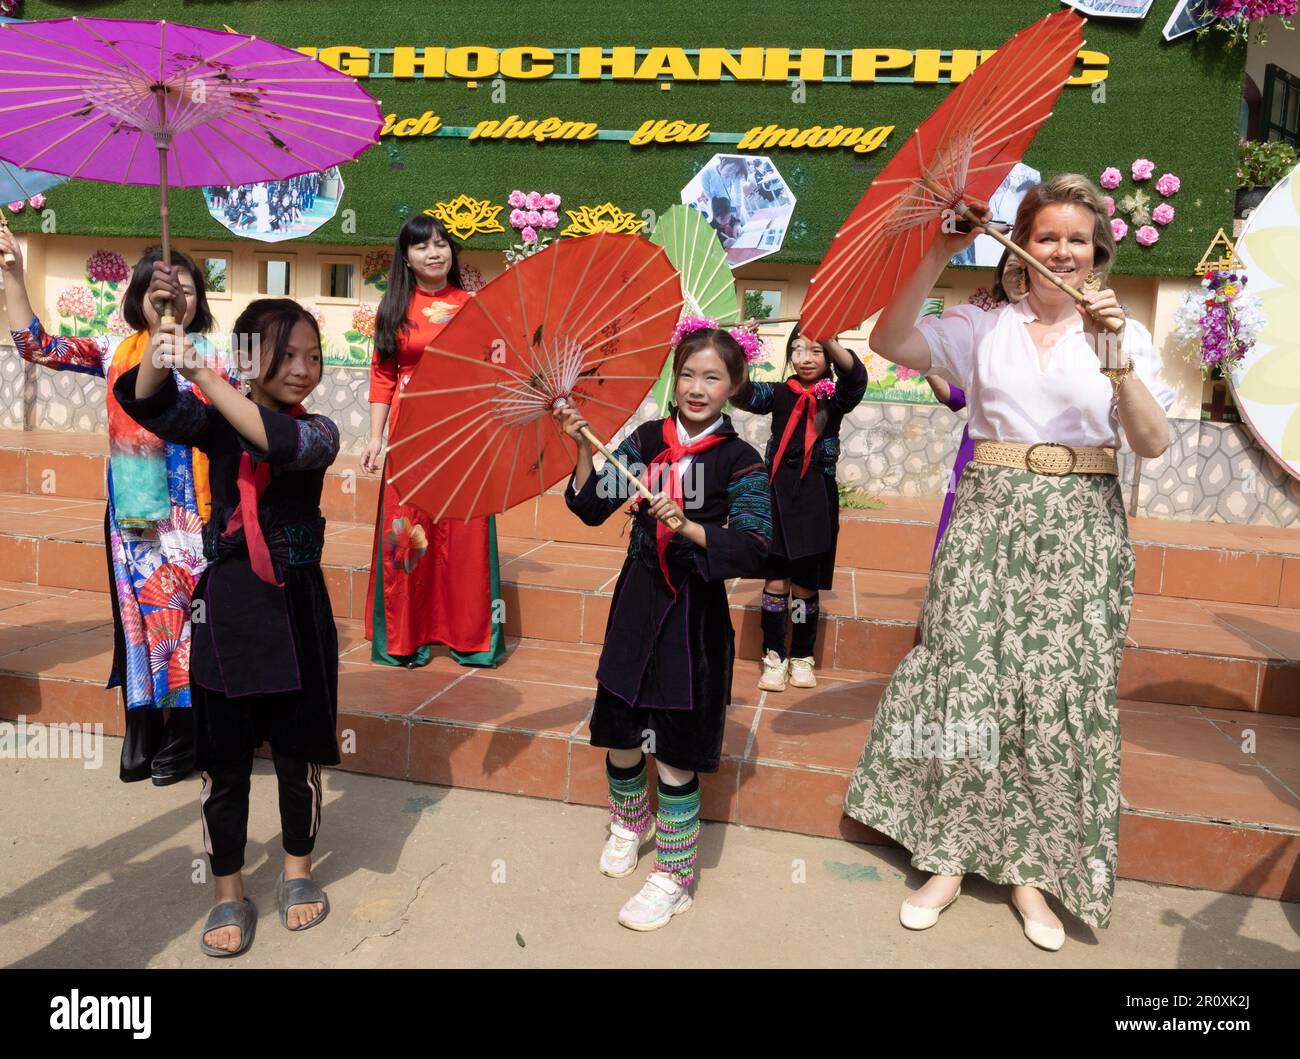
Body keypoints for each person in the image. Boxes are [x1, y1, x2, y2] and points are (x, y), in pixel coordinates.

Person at [842, 174, 1172, 951]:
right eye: (1048, 235)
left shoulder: (1122, 331)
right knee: (968, 680)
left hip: (1082, 527)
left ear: (1098, 252)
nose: (1062, 249)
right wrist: (938, 250)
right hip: (989, 514)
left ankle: (1033, 870)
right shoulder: (982, 323)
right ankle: (949, 856)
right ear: (1022, 245)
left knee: (1058, 692)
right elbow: (891, 342)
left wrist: (1116, 353)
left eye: (1077, 239)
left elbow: (1153, 444)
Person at [115, 293, 342, 958]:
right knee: (224, 761)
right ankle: (227, 888)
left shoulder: (320, 430)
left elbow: (277, 442)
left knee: (298, 756)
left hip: (298, 605)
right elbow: (147, 403)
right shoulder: (213, 423)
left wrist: (204, 370)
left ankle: (297, 871)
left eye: (313, 355)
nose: (303, 368)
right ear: (251, 359)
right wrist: (163, 339)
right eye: (286, 354)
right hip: (227, 609)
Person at [554, 322, 771, 931]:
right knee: (622, 728)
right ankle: (628, 824)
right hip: (637, 599)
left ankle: (675, 876)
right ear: (673, 379)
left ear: (734, 386)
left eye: (713, 377)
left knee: (674, 750)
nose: (697, 387)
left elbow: (755, 545)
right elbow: (593, 506)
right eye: (688, 374)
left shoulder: (739, 459)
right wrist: (580, 446)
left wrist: (693, 528)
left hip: (692, 615)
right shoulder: (647, 438)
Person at [1, 234, 223, 786]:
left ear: (199, 301)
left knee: (188, 620)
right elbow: (37, 347)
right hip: (133, 512)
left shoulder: (217, 360)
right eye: (157, 291)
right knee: (138, 619)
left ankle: (191, 729)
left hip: (195, 513)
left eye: (185, 291)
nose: (172, 300)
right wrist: (13, 275)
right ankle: (141, 723)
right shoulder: (112, 350)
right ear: (138, 299)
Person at [361, 213, 505, 668]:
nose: (434, 252)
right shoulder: (392, 310)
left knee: (463, 530)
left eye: (442, 243)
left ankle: (469, 637)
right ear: (406, 257)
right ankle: (406, 636)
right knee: (408, 531)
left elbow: (494, 369)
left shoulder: (473, 305)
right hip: (409, 432)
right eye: (422, 246)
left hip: (463, 430)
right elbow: (383, 375)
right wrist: (374, 437)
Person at [732, 327, 866, 690]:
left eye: (816, 351)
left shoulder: (835, 397)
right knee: (775, 582)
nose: (805, 358)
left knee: (805, 585)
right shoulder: (777, 393)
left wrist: (831, 334)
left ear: (830, 358)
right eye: (798, 349)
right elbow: (742, 393)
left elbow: (856, 378)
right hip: (776, 494)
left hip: (815, 498)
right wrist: (742, 350)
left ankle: (802, 656)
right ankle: (774, 655)